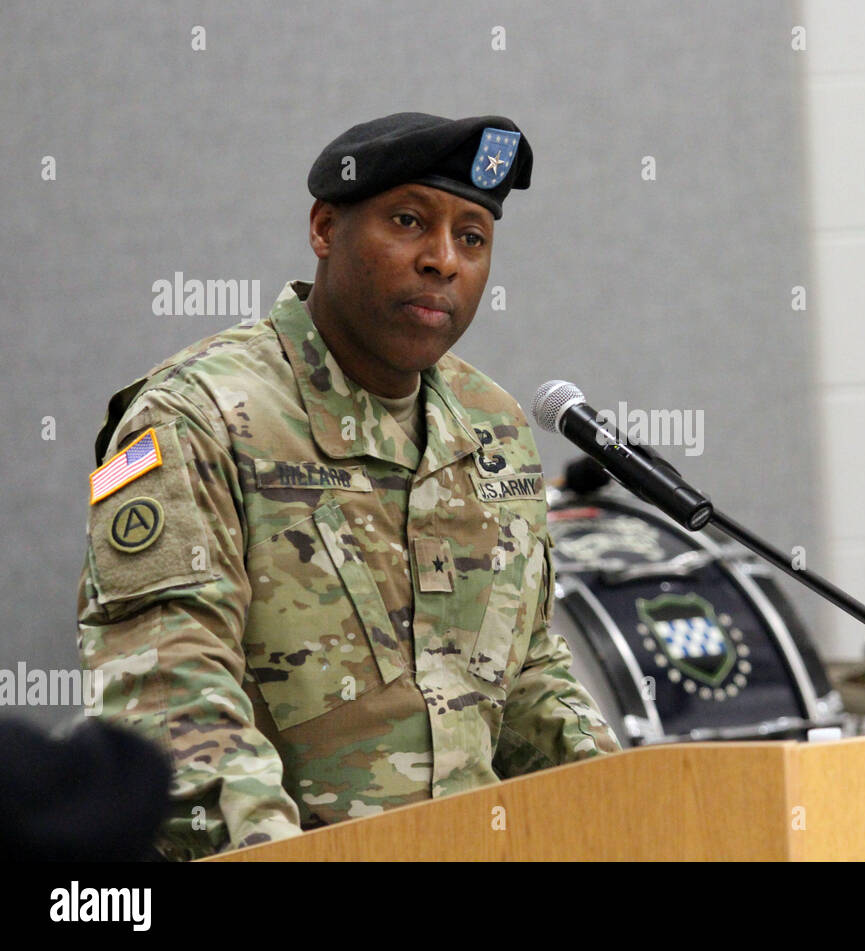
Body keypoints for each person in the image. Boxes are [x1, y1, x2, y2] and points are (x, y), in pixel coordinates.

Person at [76, 112, 621, 861]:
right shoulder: (196, 417)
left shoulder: (491, 423)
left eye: (472, 237)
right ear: (326, 227)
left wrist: (632, 807)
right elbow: (168, 694)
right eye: (408, 221)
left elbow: (525, 675)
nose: (443, 261)